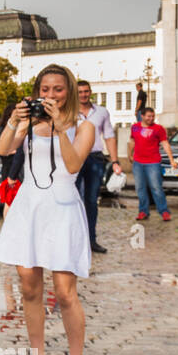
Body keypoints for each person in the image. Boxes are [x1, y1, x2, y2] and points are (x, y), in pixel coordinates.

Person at [0, 64, 96, 355]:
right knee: (29, 286)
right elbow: (4, 150)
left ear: (68, 92)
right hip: (30, 207)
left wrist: (58, 128)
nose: (50, 95)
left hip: (62, 208)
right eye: (45, 89)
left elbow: (72, 166)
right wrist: (15, 120)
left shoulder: (83, 126)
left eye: (58, 89)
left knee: (65, 293)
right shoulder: (30, 123)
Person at [74, 80, 123, 253]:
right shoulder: (69, 111)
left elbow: (109, 135)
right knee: (73, 199)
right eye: (80, 92)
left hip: (95, 158)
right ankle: (73, 240)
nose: (83, 94)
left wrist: (115, 160)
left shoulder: (101, 112)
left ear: (90, 92)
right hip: (75, 157)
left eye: (86, 91)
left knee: (91, 201)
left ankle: (91, 239)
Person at [129, 107, 174, 220]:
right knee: (140, 188)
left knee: (156, 187)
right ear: (142, 116)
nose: (151, 118)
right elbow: (132, 141)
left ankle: (164, 211)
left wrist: (171, 159)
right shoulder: (135, 127)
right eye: (148, 116)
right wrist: (129, 154)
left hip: (153, 162)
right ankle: (143, 211)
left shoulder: (158, 129)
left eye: (153, 116)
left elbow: (165, 143)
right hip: (138, 162)